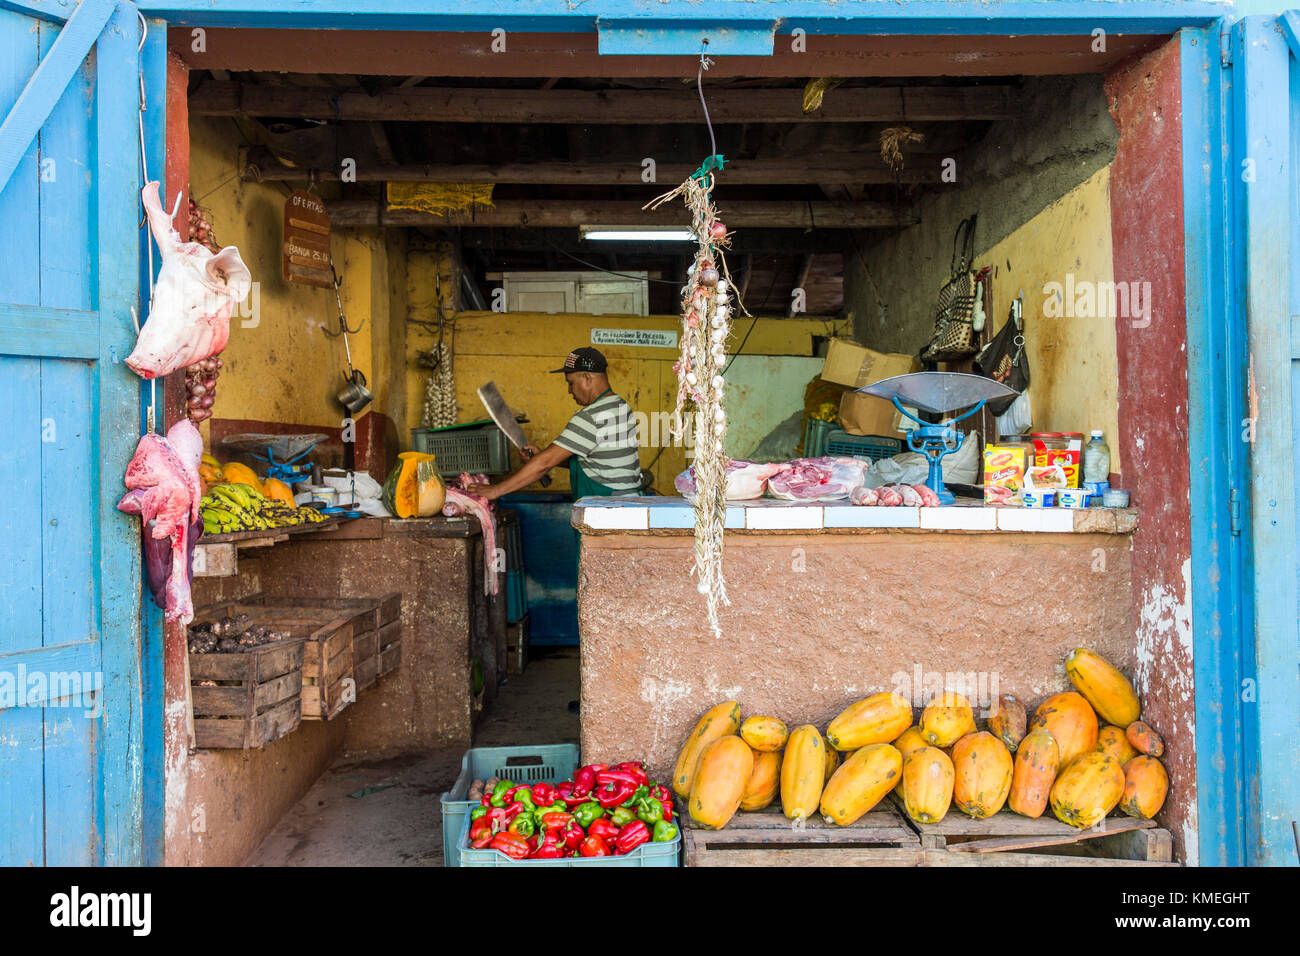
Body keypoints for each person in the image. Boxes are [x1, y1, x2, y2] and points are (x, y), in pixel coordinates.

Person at [466, 347, 643, 501]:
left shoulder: (590, 416)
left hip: (607, 512)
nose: (569, 390)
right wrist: (544, 455)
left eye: (571, 383)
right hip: (628, 506)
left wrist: (495, 490)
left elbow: (544, 464)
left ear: (588, 378)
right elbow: (598, 461)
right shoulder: (620, 406)